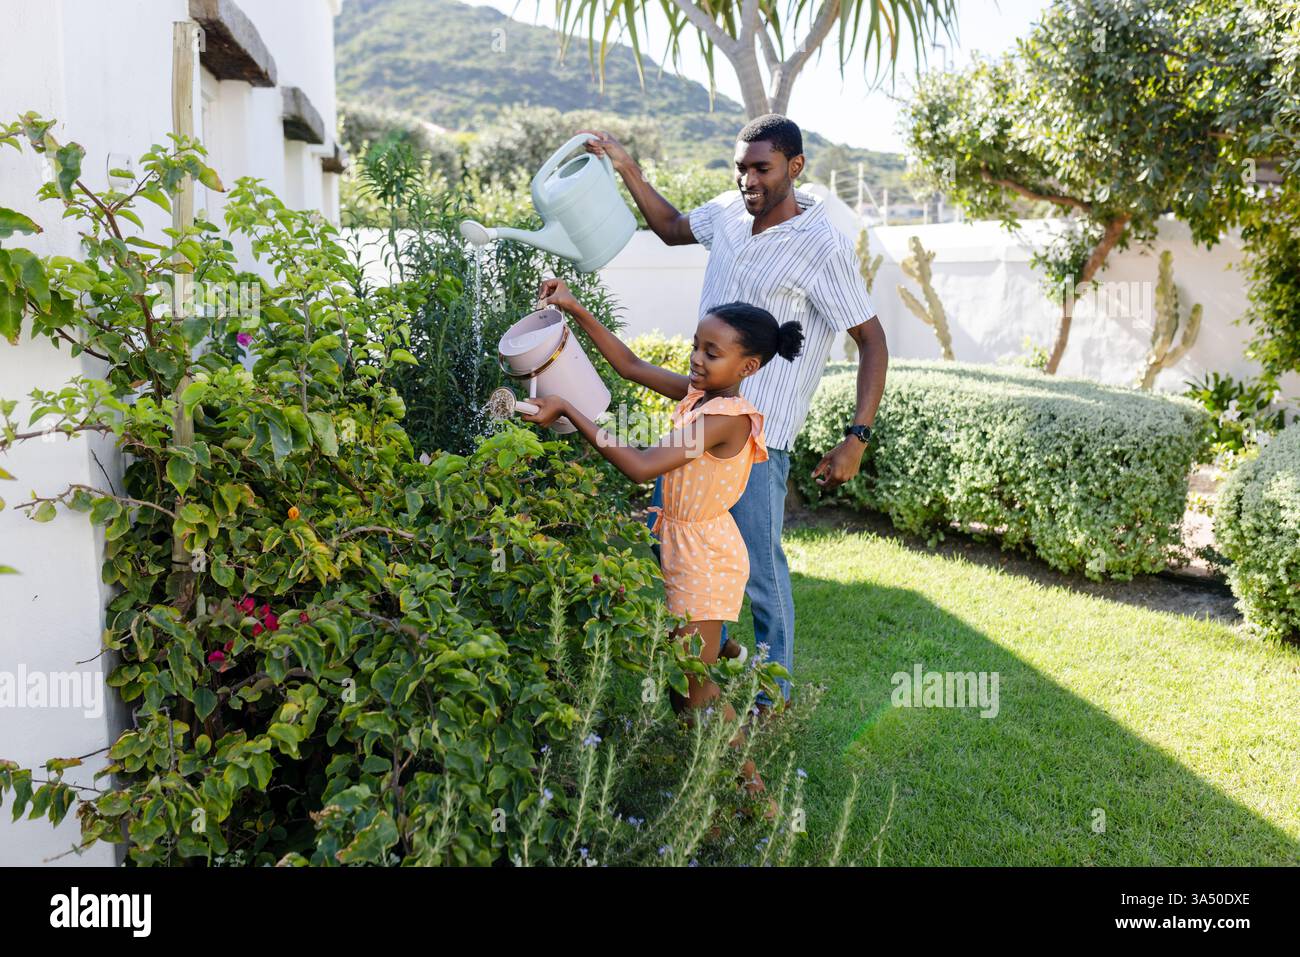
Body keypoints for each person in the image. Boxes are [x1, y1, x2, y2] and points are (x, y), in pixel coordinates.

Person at [575, 114, 889, 717]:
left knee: (759, 568)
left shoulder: (821, 246)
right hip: (701, 416)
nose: (748, 178)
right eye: (741, 166)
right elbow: (668, 227)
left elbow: (871, 340)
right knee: (671, 538)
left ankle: (770, 696)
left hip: (752, 438)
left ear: (795, 167)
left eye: (761, 168)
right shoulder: (724, 213)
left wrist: (856, 438)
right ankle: (715, 653)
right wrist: (626, 167)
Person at [522, 278, 805, 817]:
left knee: (692, 687)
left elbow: (640, 465)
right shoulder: (702, 396)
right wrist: (571, 306)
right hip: (680, 545)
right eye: (696, 345)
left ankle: (757, 802)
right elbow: (628, 365)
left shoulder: (725, 418)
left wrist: (568, 412)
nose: (696, 358)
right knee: (680, 681)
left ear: (747, 367)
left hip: (705, 558)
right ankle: (711, 756)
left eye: (711, 352)